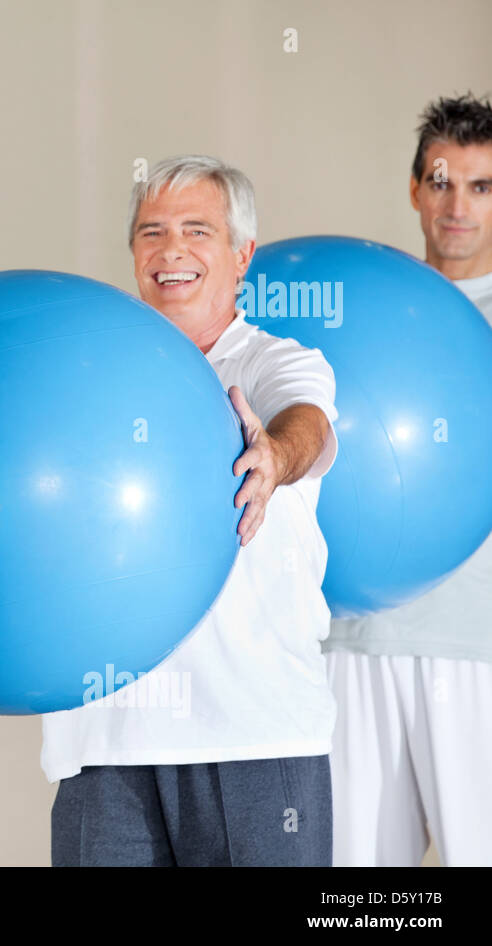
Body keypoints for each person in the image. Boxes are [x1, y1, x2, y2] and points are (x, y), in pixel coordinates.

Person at [42, 156, 339, 866]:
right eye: (151, 232)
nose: (170, 249)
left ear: (242, 256)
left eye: (196, 230)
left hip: (254, 739)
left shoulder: (278, 362)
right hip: (104, 748)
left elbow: (307, 426)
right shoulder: (89, 376)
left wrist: (274, 457)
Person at [323, 93, 492, 866]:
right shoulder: (363, 306)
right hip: (357, 640)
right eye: (441, 179)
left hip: (477, 647)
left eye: (482, 186)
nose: (458, 205)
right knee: (359, 895)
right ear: (415, 189)